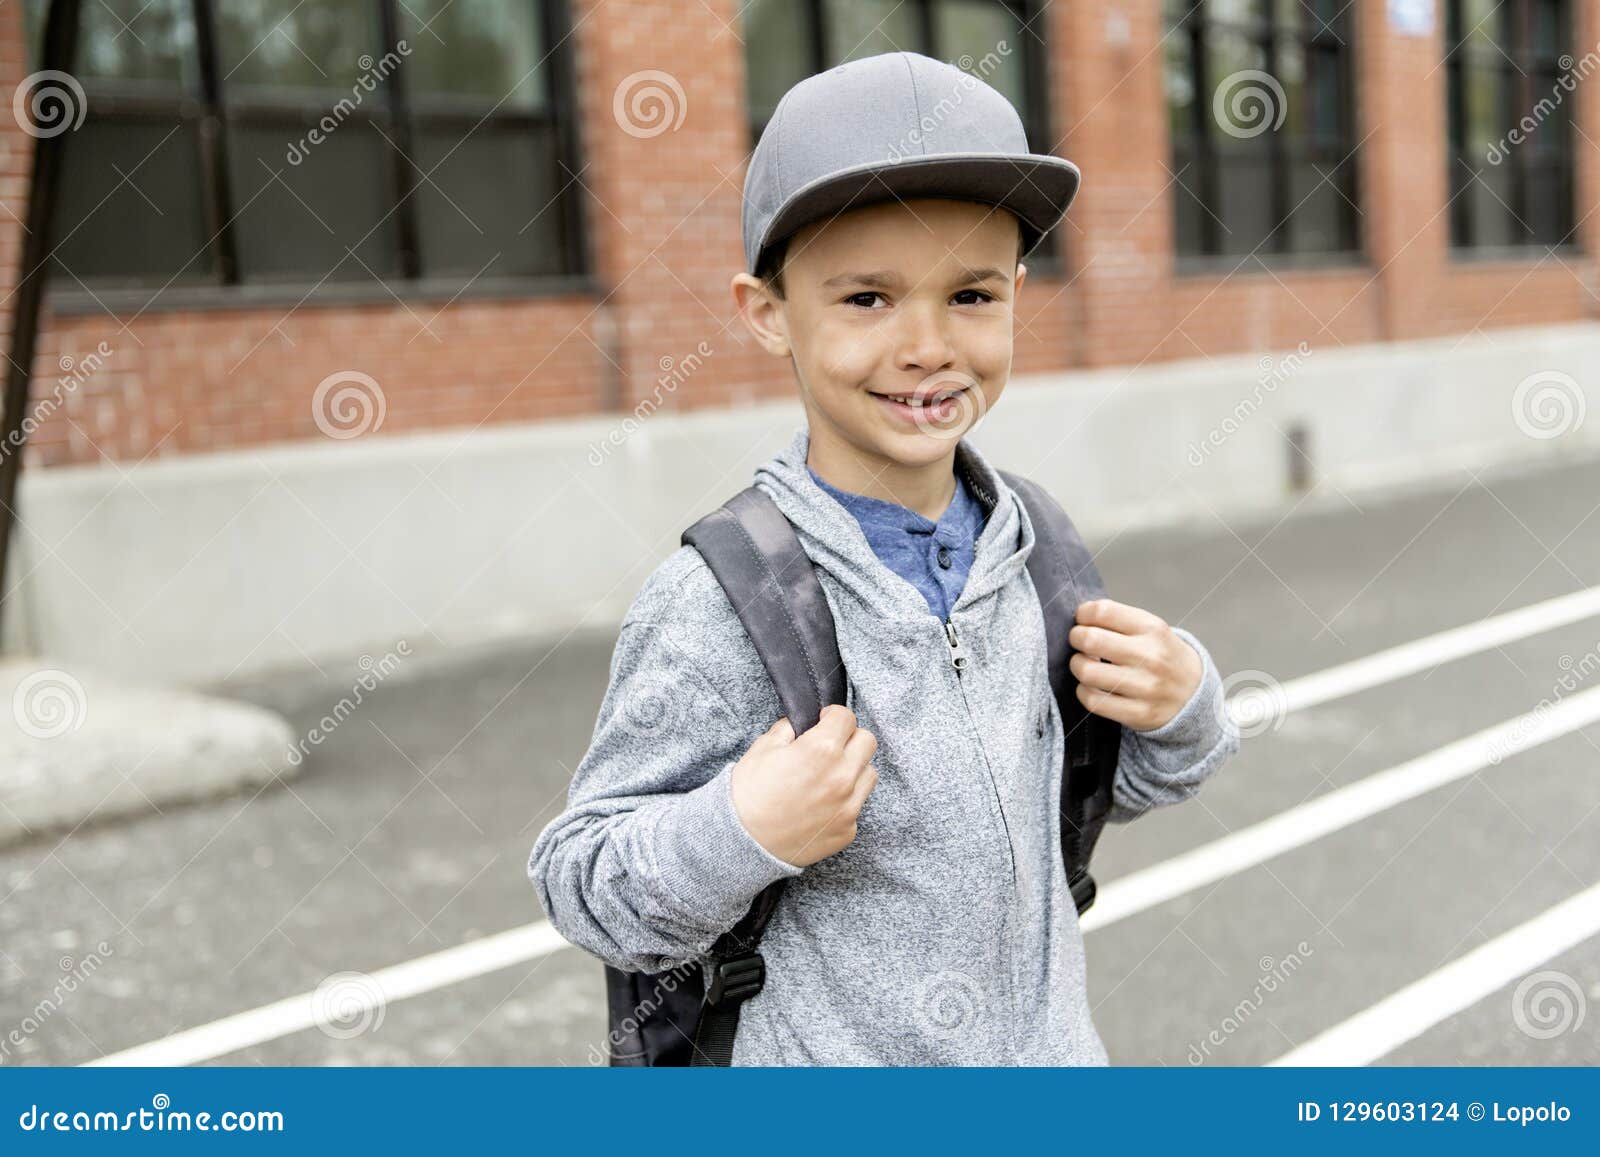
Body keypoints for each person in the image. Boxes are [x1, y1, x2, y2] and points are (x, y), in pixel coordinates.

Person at [529, 51, 1241, 1065]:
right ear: (765, 311)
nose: (927, 345)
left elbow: (1074, 796)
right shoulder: (721, 600)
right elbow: (583, 878)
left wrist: (1184, 706)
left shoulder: (1034, 554)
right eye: (867, 298)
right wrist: (740, 830)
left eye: (970, 296)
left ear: (1017, 296)